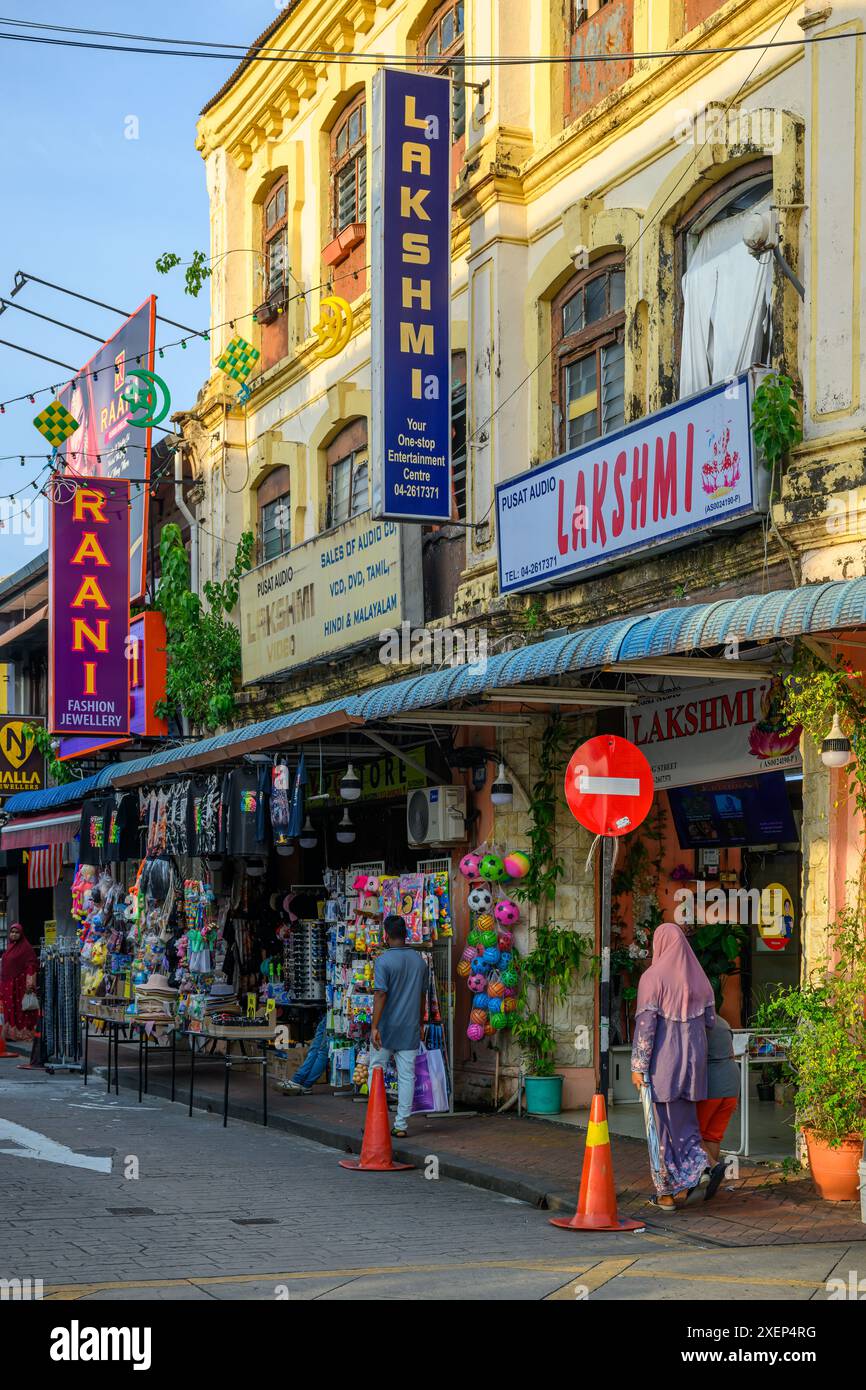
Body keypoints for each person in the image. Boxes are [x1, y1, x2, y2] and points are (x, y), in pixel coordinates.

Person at [630, 921, 725, 1210]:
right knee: (686, 1127)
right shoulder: (699, 978)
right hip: (693, 1067)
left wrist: (638, 1065)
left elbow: (646, 1027)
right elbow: (710, 1022)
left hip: (663, 1066)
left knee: (661, 1130)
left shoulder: (652, 978)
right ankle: (695, 1172)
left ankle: (665, 1193)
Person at [370, 914, 428, 1138]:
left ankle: (376, 1120)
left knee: (376, 1071)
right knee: (407, 1077)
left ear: (385, 935)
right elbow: (422, 995)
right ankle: (401, 1125)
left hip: (385, 1028)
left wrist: (374, 1026)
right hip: (410, 1026)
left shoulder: (383, 961)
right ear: (406, 934)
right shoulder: (419, 961)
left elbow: (381, 994)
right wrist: (421, 1022)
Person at [696, 1011, 740, 1162]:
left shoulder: (698, 1024)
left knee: (693, 1134)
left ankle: (713, 1168)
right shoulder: (723, 1022)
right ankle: (711, 1180)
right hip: (731, 1084)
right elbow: (732, 1055)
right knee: (713, 1136)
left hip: (711, 1085)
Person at [0, 924, 39, 1043]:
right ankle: (11, 1034)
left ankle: (23, 1034)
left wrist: (30, 984)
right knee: (9, 1009)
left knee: (22, 1010)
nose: (14, 934)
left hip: (21, 985)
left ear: (21, 934)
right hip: (8, 985)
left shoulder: (26, 948)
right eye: (12, 932)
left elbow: (32, 965)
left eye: (17, 932)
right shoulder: (10, 947)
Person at [279, 1013, 328, 1094]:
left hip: (337, 1012)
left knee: (322, 1052)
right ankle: (298, 1081)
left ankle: (304, 1084)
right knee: (315, 1049)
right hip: (330, 1011)